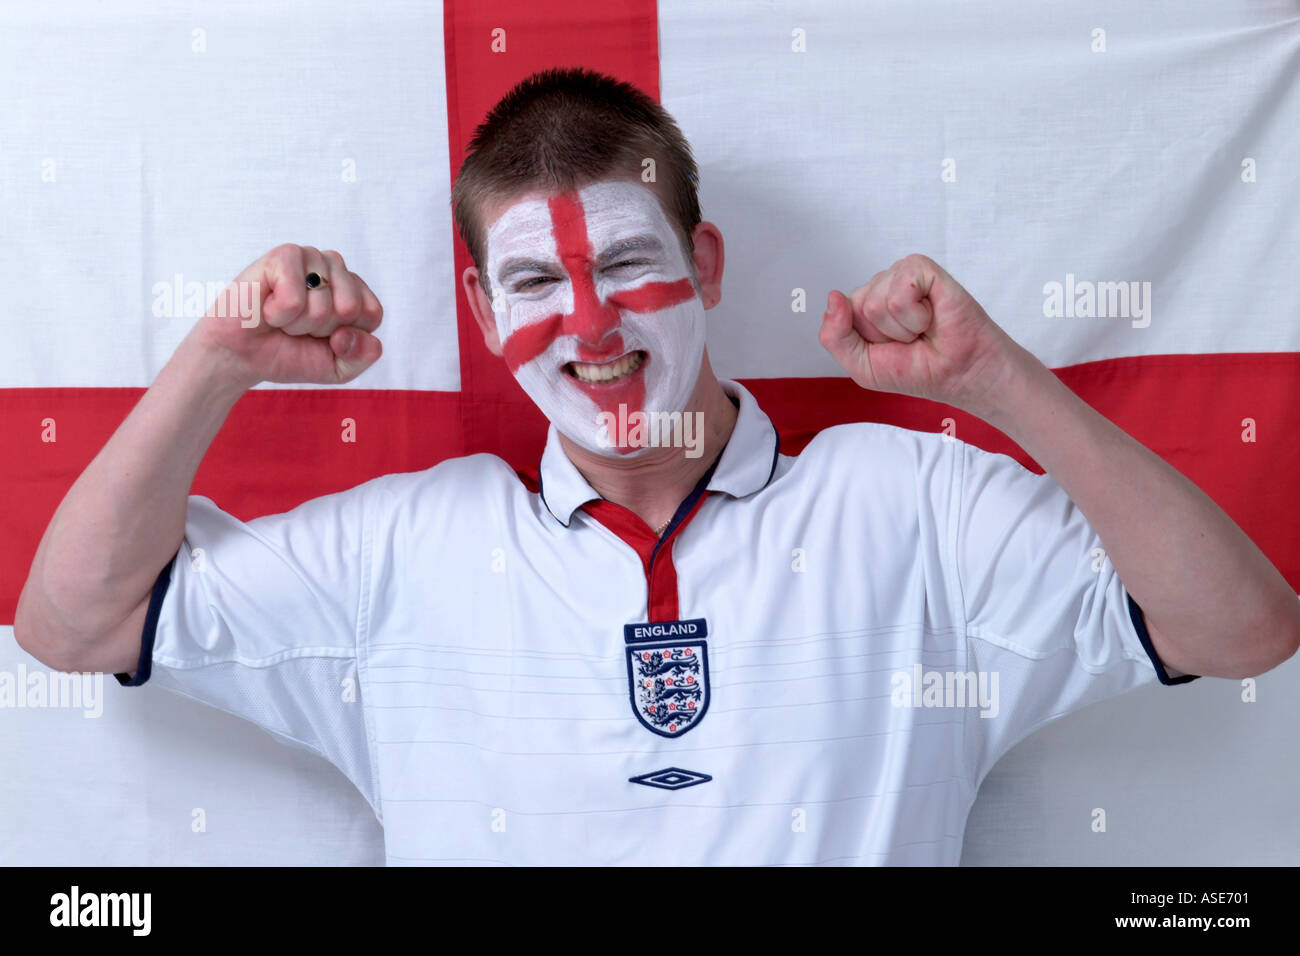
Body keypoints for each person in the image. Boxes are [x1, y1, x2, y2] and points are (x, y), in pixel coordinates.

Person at [14, 66, 1298, 865]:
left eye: (627, 264)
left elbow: (1243, 627)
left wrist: (999, 382)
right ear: (475, 306)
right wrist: (218, 358)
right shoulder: (402, 549)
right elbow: (71, 621)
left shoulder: (911, 506)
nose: (590, 327)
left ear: (708, 265)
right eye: (531, 282)